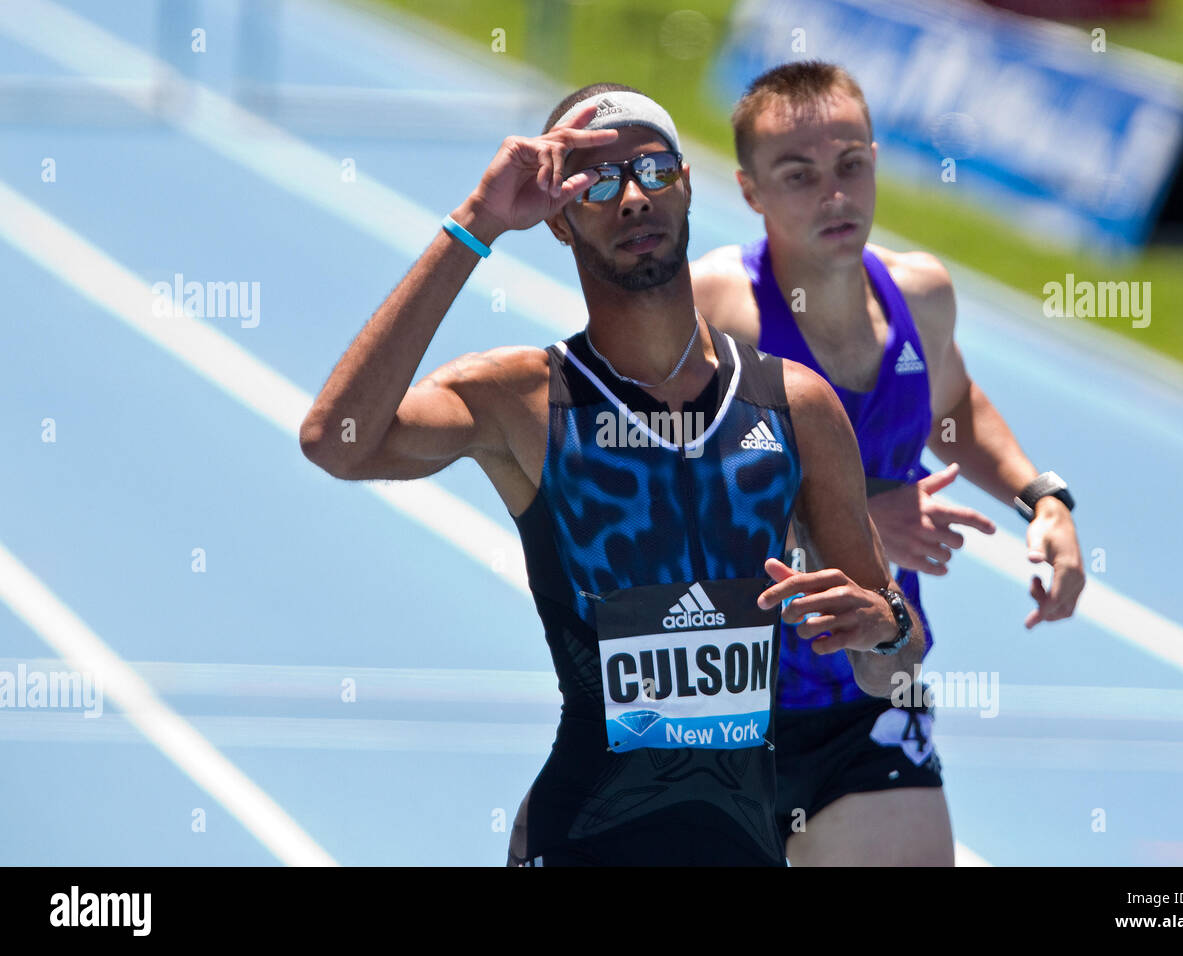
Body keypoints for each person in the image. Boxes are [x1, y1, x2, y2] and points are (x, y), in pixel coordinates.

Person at [300, 84, 928, 866]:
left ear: (687, 183)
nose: (633, 197)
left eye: (653, 170)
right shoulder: (522, 399)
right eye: (596, 181)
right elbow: (338, 440)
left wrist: (885, 626)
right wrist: (479, 220)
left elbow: (891, 669)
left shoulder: (795, 404)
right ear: (557, 218)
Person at [691, 60, 1086, 866]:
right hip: (711, 691)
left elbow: (953, 404)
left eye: (851, 166)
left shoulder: (921, 292)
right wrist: (855, 521)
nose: (834, 194)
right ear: (750, 191)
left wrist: (1041, 499)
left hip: (869, 683)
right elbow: (657, 489)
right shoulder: (714, 311)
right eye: (798, 175)